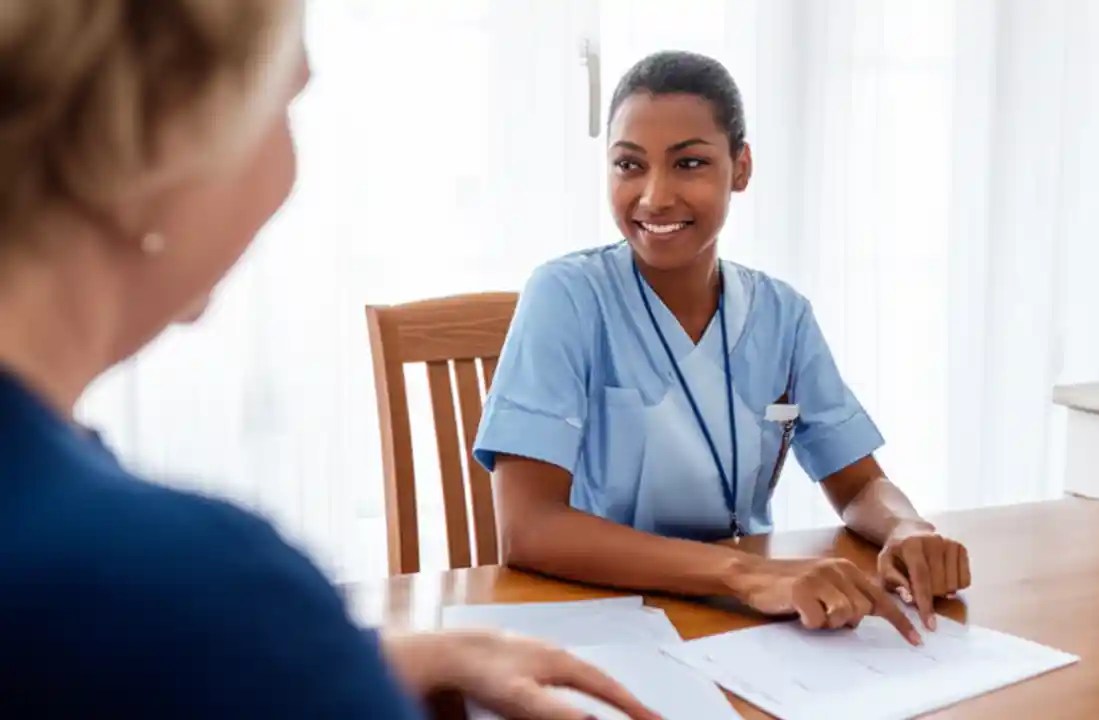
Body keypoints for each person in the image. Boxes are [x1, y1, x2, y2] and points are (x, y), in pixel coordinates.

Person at [0, 2, 658, 719]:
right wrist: (286, 649)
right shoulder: (189, 588)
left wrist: (372, 656)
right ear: (160, 141)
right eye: (284, 106)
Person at [476, 50, 972, 640]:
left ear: (741, 167)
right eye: (629, 165)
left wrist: (907, 528)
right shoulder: (567, 297)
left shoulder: (781, 316)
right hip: (597, 618)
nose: (655, 196)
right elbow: (529, 529)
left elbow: (859, 482)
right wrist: (744, 574)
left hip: (742, 626)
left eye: (689, 163)